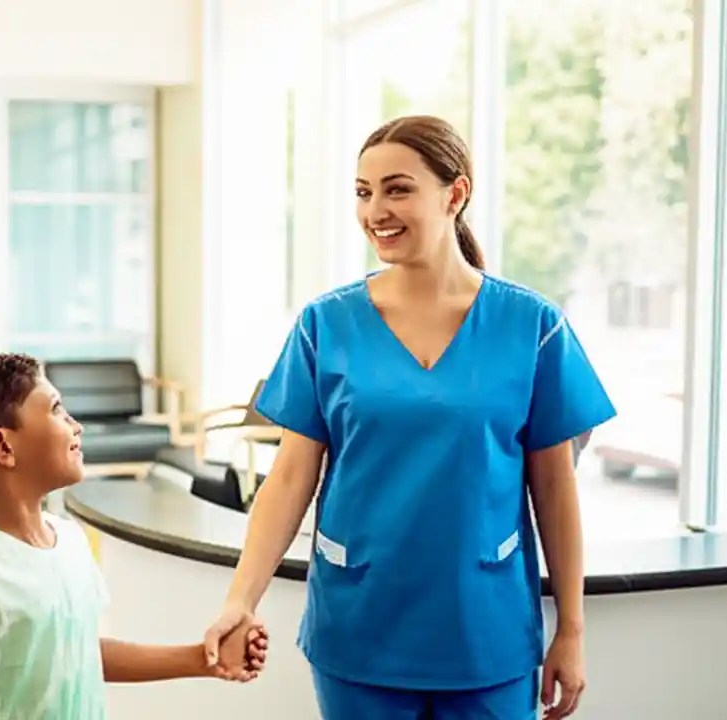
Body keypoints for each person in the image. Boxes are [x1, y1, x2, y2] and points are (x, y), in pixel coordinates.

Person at [202, 115, 616, 719]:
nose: (375, 211)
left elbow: (553, 488)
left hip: (485, 633)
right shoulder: (326, 325)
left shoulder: (532, 327)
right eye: (363, 192)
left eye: (397, 189)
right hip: (360, 626)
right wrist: (241, 600)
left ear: (456, 194)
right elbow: (290, 479)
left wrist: (572, 631)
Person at [0, 353, 269, 719]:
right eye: (56, 410)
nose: (75, 425)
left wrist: (202, 659)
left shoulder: (70, 540)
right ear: (2, 446)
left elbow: (80, 653)